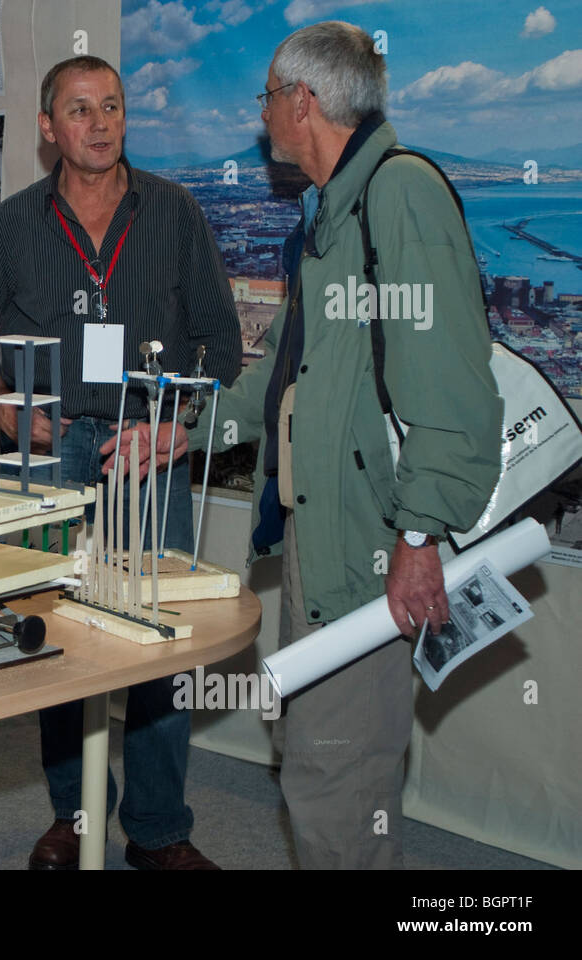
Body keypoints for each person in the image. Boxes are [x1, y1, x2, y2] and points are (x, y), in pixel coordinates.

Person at [189, 21, 501, 868]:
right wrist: (180, 428)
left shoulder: (399, 196)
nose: (263, 119)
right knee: (319, 763)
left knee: (338, 777)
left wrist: (416, 536)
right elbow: (280, 379)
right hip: (318, 540)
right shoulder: (334, 217)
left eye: (267, 99)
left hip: (373, 546)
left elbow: (449, 392)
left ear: (303, 101)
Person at [0, 55, 242, 870]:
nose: (100, 123)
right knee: (58, 640)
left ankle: (159, 831)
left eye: (112, 106)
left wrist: (176, 424)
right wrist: (4, 410)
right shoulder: (13, 226)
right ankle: (74, 815)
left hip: (146, 453)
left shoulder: (176, 214)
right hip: (51, 458)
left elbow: (222, 346)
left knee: (160, 640)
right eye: (79, 110)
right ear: (49, 128)